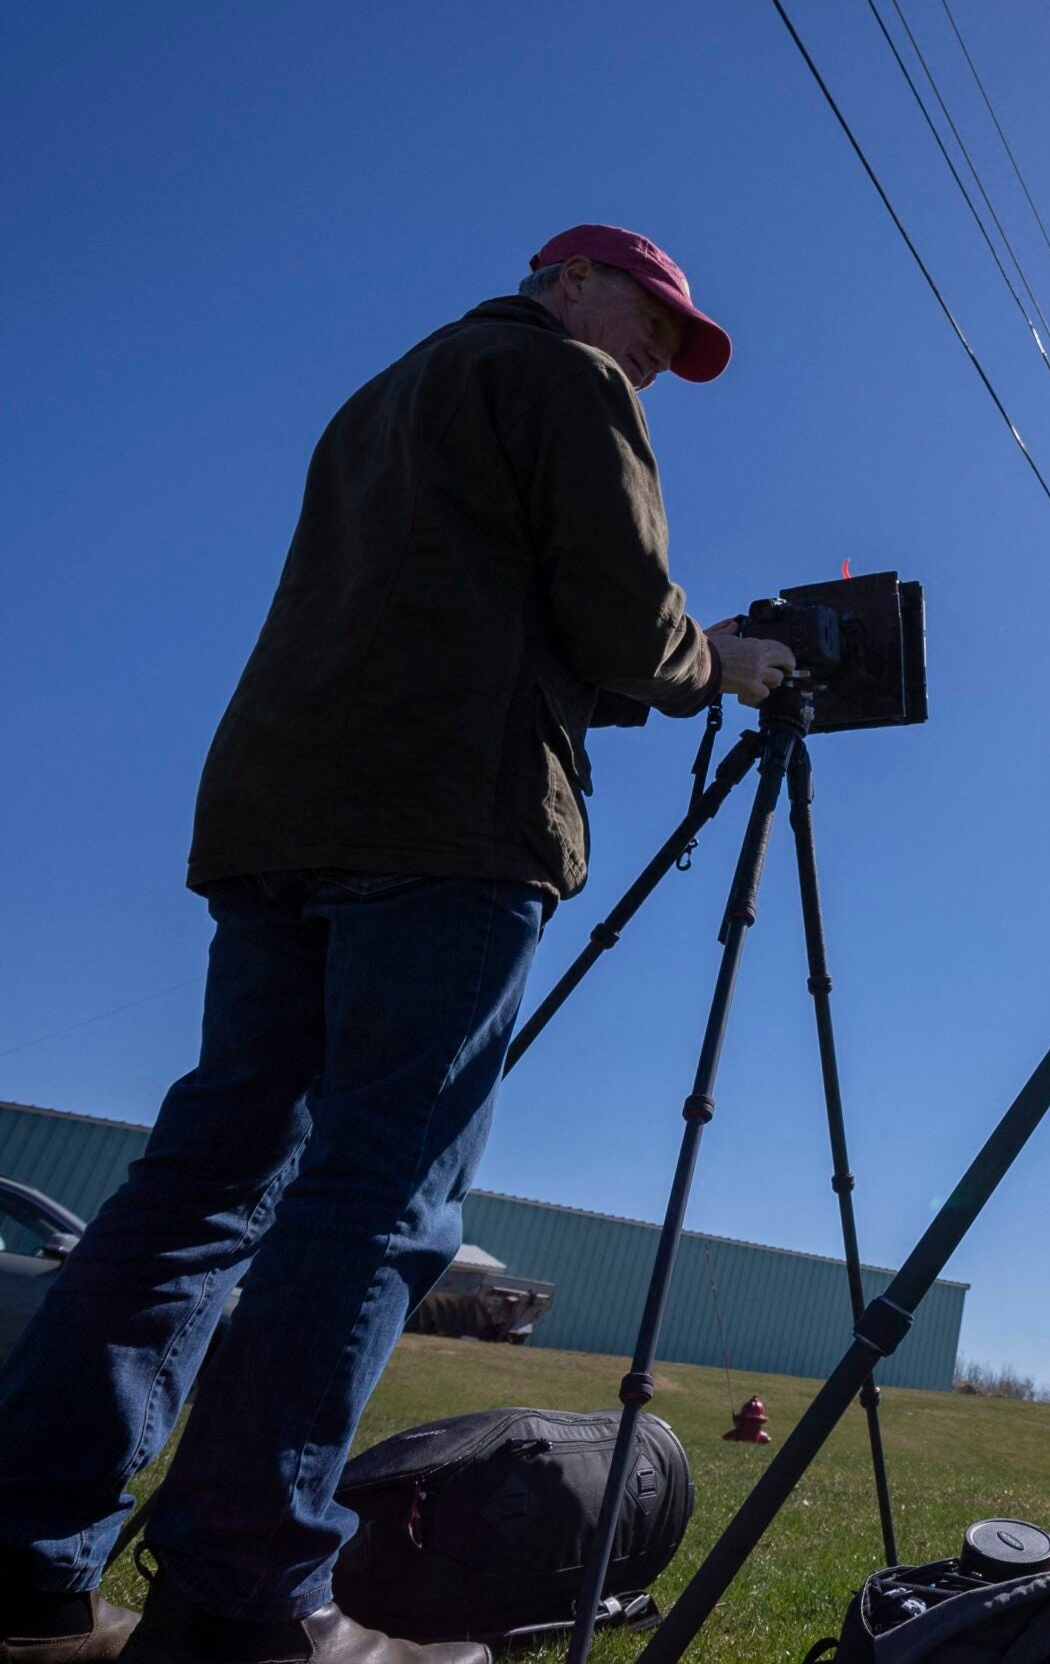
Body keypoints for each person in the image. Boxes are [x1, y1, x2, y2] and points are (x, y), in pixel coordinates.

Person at [0, 225, 797, 1664]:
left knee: (205, 1177)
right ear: (567, 278)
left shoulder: (389, 394)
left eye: (676, 353)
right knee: (379, 1192)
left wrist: (648, 661)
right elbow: (624, 621)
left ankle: (24, 1555)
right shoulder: (563, 377)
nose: (653, 360)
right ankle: (240, 1587)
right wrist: (713, 660)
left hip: (283, 808)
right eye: (648, 321)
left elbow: (482, 614)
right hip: (448, 819)